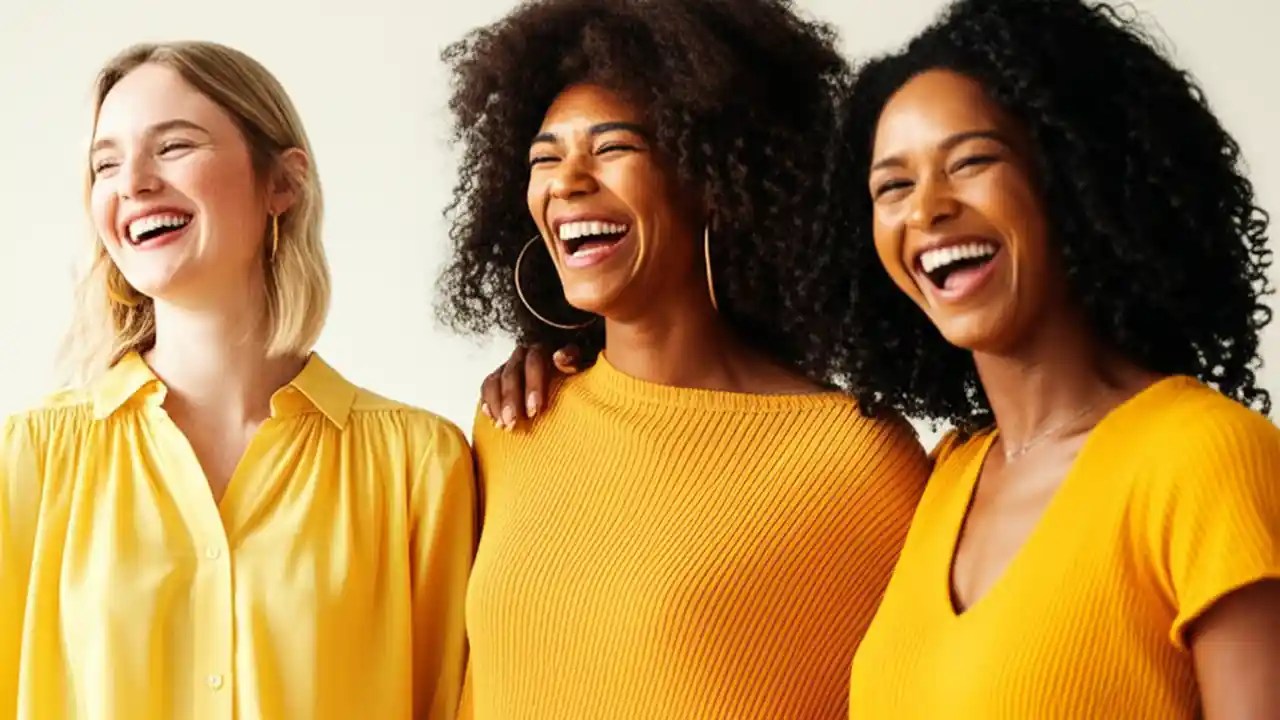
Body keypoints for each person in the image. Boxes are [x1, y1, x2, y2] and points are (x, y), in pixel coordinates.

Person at [436, 1, 929, 717]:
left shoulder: (856, 462)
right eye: (545, 158)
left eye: (612, 149)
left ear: (713, 182)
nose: (568, 180)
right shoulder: (515, 426)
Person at [0, 41, 475, 720]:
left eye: (173, 147)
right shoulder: (32, 461)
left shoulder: (417, 466)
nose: (132, 181)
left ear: (282, 183)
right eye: (106, 163)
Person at [834, 0, 1280, 717]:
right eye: (893, 186)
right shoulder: (949, 476)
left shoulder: (1207, 459)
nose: (925, 211)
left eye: (972, 161)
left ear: (1074, 178)